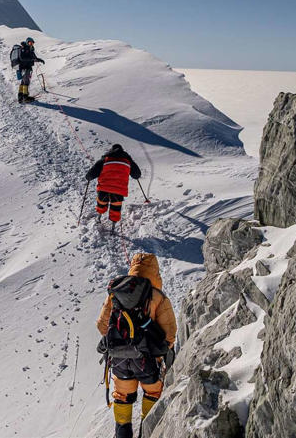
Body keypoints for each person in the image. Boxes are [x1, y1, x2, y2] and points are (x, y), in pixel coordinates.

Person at [96, 253, 177, 438]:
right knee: (153, 393)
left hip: (119, 359)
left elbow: (102, 325)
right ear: (155, 272)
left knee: (123, 397)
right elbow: (170, 335)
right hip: (147, 360)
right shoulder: (157, 297)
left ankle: (122, 434)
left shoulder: (116, 294)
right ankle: (147, 433)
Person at [85, 144, 142, 224]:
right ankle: (113, 225)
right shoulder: (128, 161)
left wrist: (88, 177)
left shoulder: (105, 159)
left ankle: (99, 216)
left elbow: (91, 174)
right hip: (119, 191)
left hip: (103, 188)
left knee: (101, 203)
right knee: (115, 208)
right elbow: (137, 175)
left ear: (111, 150)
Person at [17, 37, 44, 103]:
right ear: (27, 42)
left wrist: (40, 60)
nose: (31, 44)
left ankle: (20, 96)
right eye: (30, 42)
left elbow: (34, 58)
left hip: (27, 67)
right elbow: (22, 58)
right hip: (24, 67)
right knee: (26, 82)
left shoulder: (30, 49)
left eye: (32, 43)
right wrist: (31, 59)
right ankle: (25, 97)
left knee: (23, 82)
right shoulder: (23, 49)